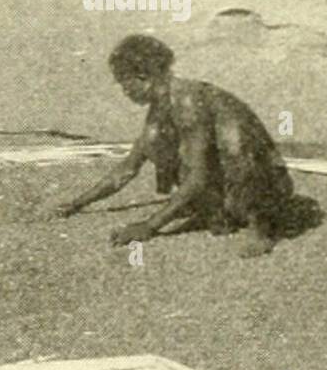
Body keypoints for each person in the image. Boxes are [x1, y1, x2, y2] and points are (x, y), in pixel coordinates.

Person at [56, 35, 303, 258]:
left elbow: (198, 176)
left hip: (264, 182)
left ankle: (262, 227)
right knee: (156, 142)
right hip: (234, 182)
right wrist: (76, 204)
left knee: (233, 148)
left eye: (124, 83)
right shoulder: (162, 104)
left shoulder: (187, 102)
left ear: (144, 78)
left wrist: (149, 226)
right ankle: (219, 213)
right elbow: (128, 168)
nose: (124, 91)